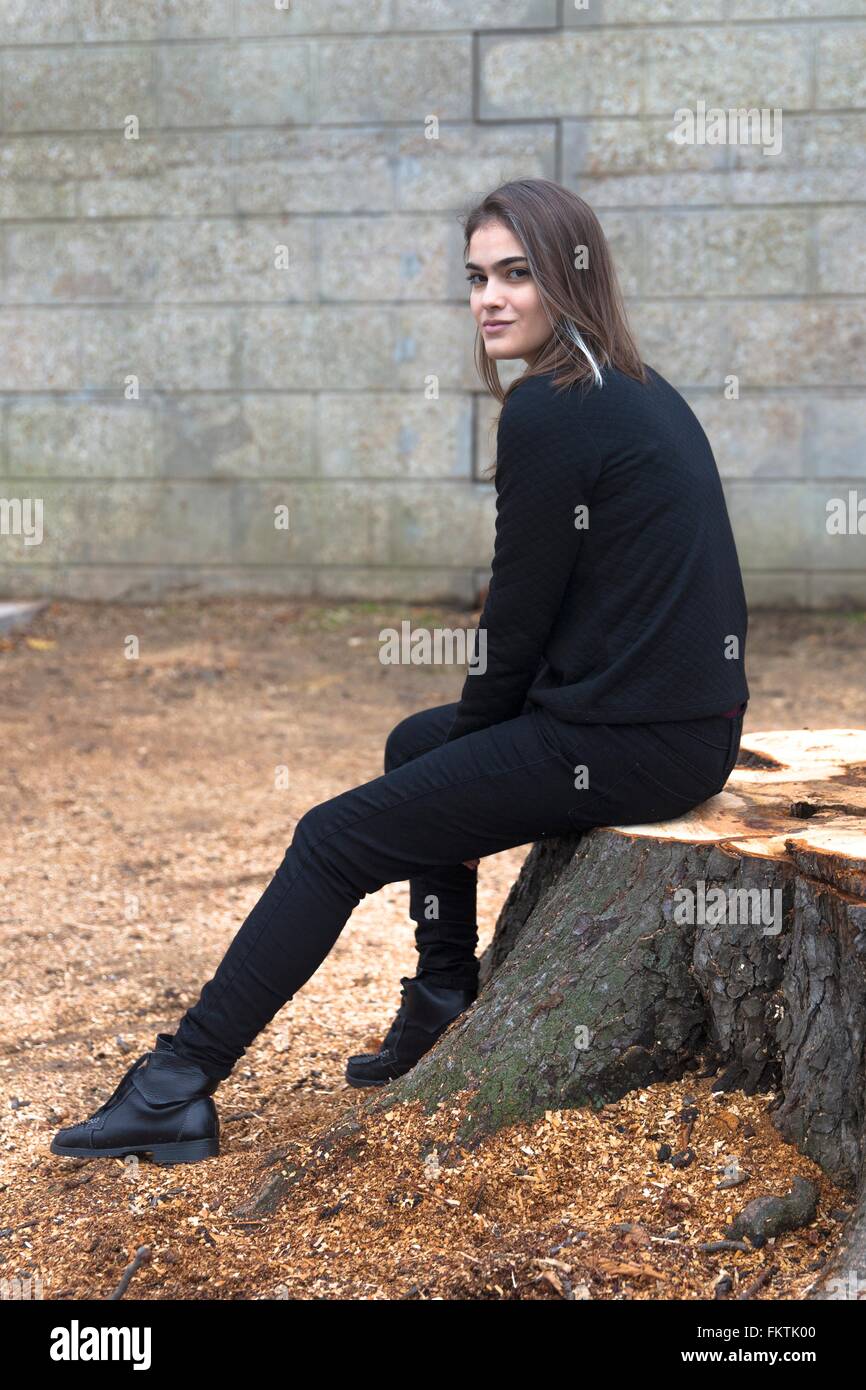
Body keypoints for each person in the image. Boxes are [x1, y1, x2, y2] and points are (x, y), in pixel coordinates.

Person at [51, 178, 748, 1165]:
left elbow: (512, 622)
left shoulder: (551, 410)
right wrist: (453, 761)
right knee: (410, 746)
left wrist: (466, 762)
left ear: (569, 278)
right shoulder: (631, 385)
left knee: (331, 837)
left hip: (630, 741)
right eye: (475, 278)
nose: (489, 299)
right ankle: (438, 998)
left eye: (516, 273)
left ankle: (177, 1080)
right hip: (676, 727)